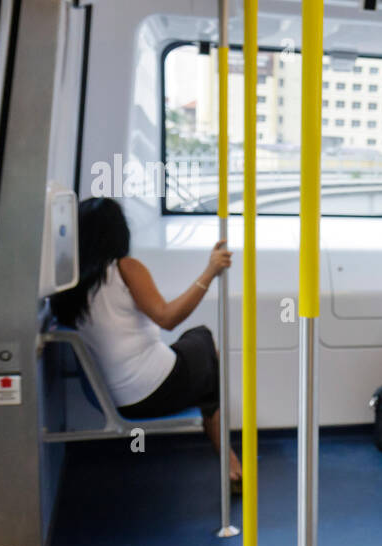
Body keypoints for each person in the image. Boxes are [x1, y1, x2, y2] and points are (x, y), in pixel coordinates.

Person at [50, 197, 242, 489]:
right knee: (202, 339)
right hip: (155, 390)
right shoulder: (126, 267)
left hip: (117, 397)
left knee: (197, 355)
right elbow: (167, 318)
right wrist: (210, 271)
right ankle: (228, 460)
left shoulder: (69, 288)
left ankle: (225, 453)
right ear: (118, 233)